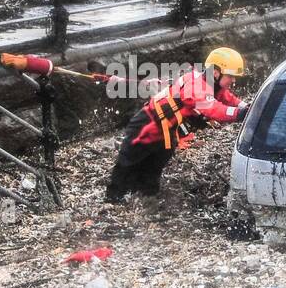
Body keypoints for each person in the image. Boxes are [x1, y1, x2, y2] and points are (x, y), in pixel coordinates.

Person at [105, 47, 248, 203]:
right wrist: (239, 114)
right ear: (216, 72)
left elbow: (228, 98)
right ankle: (115, 199)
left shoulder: (213, 84)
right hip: (147, 125)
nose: (234, 80)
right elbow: (214, 109)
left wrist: (245, 106)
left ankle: (145, 197)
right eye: (231, 76)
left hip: (168, 130)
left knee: (154, 167)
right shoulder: (196, 86)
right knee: (128, 162)